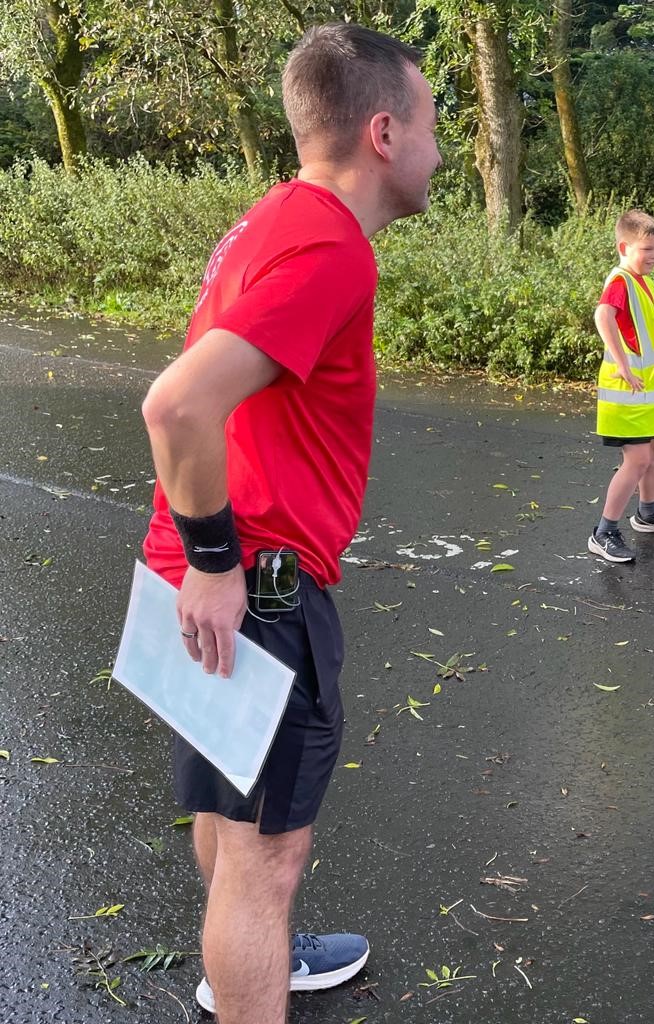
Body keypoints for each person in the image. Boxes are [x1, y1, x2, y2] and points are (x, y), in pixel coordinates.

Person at [140, 23, 441, 1023]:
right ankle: (250, 961)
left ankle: (245, 965)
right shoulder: (330, 247)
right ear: (385, 132)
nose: (444, 148)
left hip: (198, 572)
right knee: (268, 857)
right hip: (250, 584)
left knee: (233, 827)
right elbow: (178, 405)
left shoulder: (270, 219)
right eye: (436, 121)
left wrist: (201, 563)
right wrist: (220, 564)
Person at [587, 209, 654, 563]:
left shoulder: (643, 280)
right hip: (628, 394)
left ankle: (647, 514)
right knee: (638, 459)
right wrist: (624, 365)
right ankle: (604, 532)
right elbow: (603, 316)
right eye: (647, 249)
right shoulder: (621, 281)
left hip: (651, 393)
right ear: (623, 246)